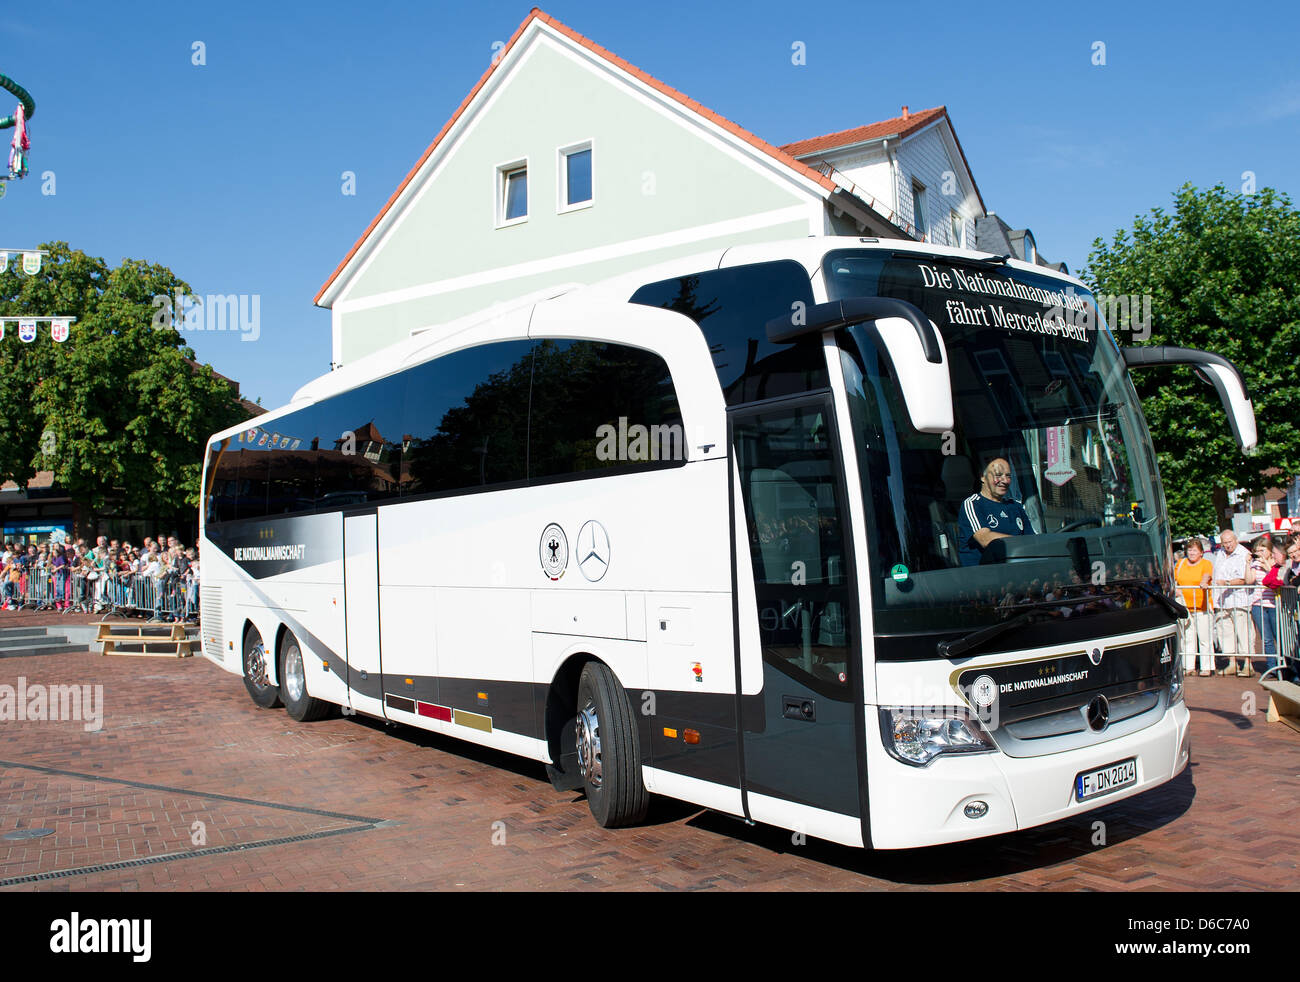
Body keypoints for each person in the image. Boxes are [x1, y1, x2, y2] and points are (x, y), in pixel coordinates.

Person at [958, 457, 1034, 566]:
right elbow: (985, 539)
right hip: (982, 576)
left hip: (1015, 572)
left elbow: (1032, 541)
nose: (1005, 481)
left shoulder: (1016, 506)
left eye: (1008, 476)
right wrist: (1021, 543)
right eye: (998, 475)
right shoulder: (973, 504)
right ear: (982, 477)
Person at [1212, 529, 1254, 676]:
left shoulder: (1243, 554)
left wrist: (1227, 583)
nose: (1228, 545)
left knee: (1243, 633)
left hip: (1239, 600)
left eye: (1230, 542)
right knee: (1226, 633)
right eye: (1225, 543)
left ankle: (1248, 664)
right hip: (1222, 601)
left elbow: (1244, 578)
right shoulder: (1220, 554)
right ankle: (1232, 662)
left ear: (1235, 540)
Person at [1175, 537, 1215, 675]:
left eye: (1195, 550)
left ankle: (1206, 667)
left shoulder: (1206, 563)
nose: (1191, 553)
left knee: (1204, 638)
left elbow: (1207, 575)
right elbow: (1175, 579)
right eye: (1190, 550)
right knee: (1188, 637)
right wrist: (1176, 589)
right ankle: (1189, 666)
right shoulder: (1180, 563)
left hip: (1202, 606)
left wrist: (1204, 582)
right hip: (1185, 606)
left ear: (1201, 553)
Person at [1249, 534, 1280, 674]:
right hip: (1258, 604)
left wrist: (1266, 565)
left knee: (1278, 636)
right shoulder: (1255, 565)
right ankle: (1272, 667)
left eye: (1262, 550)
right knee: (1266, 639)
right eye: (1257, 551)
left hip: (1274, 604)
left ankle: (1283, 665)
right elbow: (1249, 580)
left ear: (1269, 550)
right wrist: (1247, 564)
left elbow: (1273, 576)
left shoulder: (1275, 562)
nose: (1260, 553)